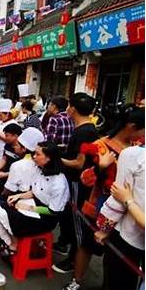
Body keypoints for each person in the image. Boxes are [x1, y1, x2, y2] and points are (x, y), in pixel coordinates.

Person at [62, 106, 144, 290]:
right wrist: (100, 167)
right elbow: (85, 178)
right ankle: (76, 281)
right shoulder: (101, 145)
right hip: (100, 207)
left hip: (129, 214)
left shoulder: (136, 149)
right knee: (88, 246)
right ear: (132, 126)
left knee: (117, 260)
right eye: (143, 129)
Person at [0, 141, 70, 257]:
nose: (33, 156)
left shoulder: (58, 183)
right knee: (3, 207)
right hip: (34, 205)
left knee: (11, 215)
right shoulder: (40, 170)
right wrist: (18, 196)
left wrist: (29, 208)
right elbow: (35, 192)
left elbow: (53, 211)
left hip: (45, 218)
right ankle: (13, 239)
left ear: (48, 158)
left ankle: (14, 245)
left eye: (38, 154)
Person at [53, 93, 99, 274]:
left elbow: (79, 163)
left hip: (78, 183)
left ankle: (74, 260)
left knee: (77, 222)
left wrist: (58, 158)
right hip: (73, 181)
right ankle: (65, 244)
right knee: (68, 219)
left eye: (69, 105)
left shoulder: (85, 131)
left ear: (72, 108)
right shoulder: (83, 128)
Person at [94, 145, 144, 290]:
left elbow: (118, 198)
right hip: (133, 235)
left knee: (118, 279)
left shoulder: (134, 155)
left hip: (129, 235)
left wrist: (104, 229)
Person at [0, 127, 44, 217]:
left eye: (17, 145)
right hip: (29, 199)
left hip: (17, 201)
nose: (14, 147)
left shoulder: (18, 165)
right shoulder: (41, 165)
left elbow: (8, 191)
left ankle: (1, 214)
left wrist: (4, 193)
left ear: (24, 149)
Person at [0, 99, 18, 170]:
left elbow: (12, 140)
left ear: (7, 114)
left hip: (3, 152)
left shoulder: (13, 124)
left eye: (0, 115)